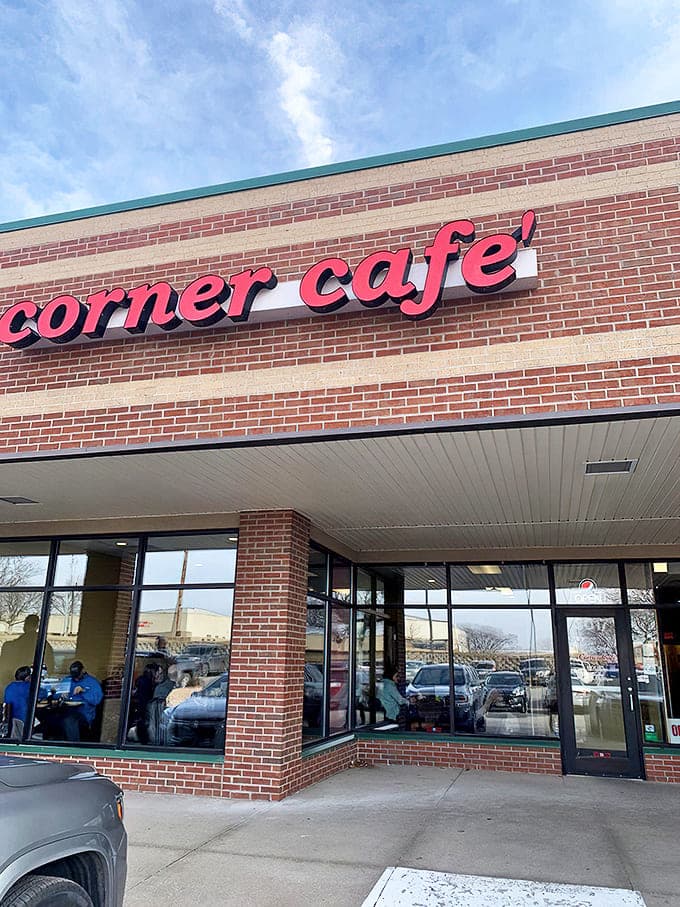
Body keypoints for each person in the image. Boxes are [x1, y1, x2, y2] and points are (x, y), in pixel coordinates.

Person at [45, 661, 103, 742]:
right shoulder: (67, 680)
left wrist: (83, 691)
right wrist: (60, 694)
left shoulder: (92, 682)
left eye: (77, 676)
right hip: (65, 710)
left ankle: (73, 746)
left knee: (69, 720)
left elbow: (96, 701)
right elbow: (55, 695)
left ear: (83, 670)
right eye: (74, 676)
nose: (76, 678)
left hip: (83, 715)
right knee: (49, 716)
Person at [0, 614, 54, 690]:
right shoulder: (44, 645)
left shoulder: (11, 646)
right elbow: (50, 668)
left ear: (25, 626)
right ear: (37, 626)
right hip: (33, 686)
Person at [3, 665, 32, 739]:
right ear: (27, 678)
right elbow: (44, 693)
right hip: (24, 720)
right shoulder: (28, 686)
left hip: (12, 721)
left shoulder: (9, 687)